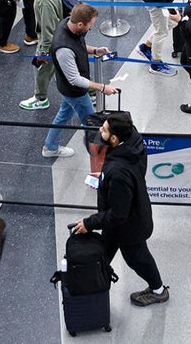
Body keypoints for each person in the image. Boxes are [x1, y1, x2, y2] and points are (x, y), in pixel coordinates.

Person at [73, 113, 170, 307]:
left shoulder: (118, 173)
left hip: (128, 227)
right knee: (104, 253)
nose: (101, 130)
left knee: (137, 259)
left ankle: (158, 290)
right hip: (127, 217)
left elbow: (118, 214)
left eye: (105, 130)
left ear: (115, 139)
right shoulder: (133, 141)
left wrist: (89, 222)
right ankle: (90, 287)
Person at [43, 3, 119, 158]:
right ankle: (98, 158)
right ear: (80, 24)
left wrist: (94, 50)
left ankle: (50, 147)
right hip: (75, 91)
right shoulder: (63, 49)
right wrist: (103, 88)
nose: (91, 28)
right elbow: (75, 79)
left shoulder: (69, 24)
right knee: (92, 124)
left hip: (66, 88)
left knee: (63, 115)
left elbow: (78, 45)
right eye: (90, 25)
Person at [21, 0, 66, 111]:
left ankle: (40, 99)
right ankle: (92, 93)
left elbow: (48, 29)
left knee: (40, 69)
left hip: (52, 42)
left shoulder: (45, 0)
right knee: (71, 66)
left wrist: (43, 53)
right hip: (64, 36)